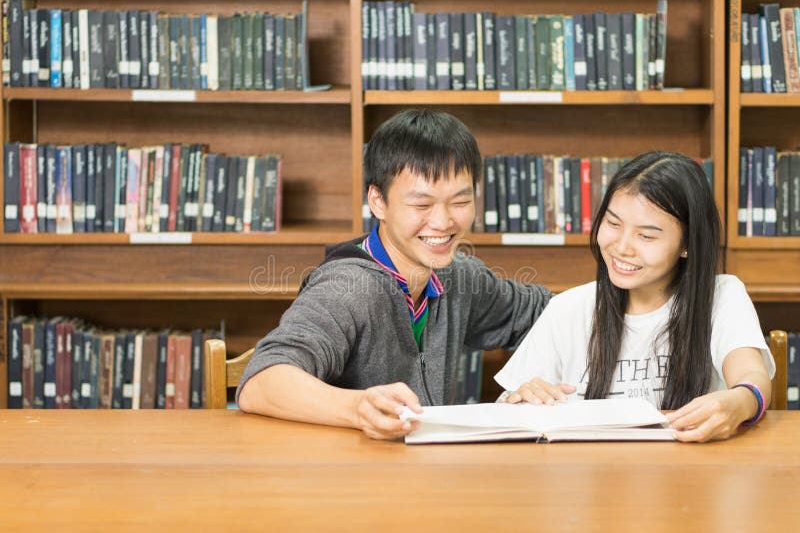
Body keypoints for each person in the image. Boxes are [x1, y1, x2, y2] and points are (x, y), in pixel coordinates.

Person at [238, 109, 552, 439]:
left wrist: (537, 379)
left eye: (460, 201)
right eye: (422, 205)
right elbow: (261, 382)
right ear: (378, 202)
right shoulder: (346, 289)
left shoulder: (459, 279)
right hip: (350, 478)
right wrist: (359, 407)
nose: (444, 222)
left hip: (427, 474)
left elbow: (549, 313)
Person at [495, 151, 775, 443]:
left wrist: (740, 401)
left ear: (688, 244)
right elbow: (511, 410)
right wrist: (522, 400)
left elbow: (752, 375)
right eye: (613, 224)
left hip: (691, 476)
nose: (622, 247)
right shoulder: (568, 309)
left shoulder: (721, 296)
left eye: (647, 236)